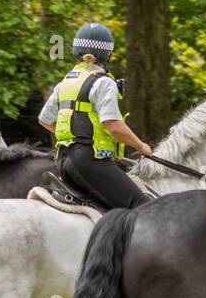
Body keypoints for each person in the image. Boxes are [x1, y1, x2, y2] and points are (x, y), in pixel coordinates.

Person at [39, 23, 152, 208]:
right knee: (143, 206)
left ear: (76, 50)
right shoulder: (104, 82)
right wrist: (141, 147)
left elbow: (44, 120)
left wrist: (73, 135)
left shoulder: (65, 82)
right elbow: (113, 125)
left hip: (64, 162)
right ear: (108, 54)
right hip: (90, 162)